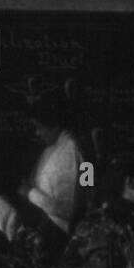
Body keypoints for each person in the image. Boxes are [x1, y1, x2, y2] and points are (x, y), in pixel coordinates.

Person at [23, 97, 86, 234]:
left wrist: (29, 192)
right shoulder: (51, 148)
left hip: (58, 233)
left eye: (39, 127)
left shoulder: (70, 151)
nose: (37, 133)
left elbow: (68, 210)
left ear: (52, 124)